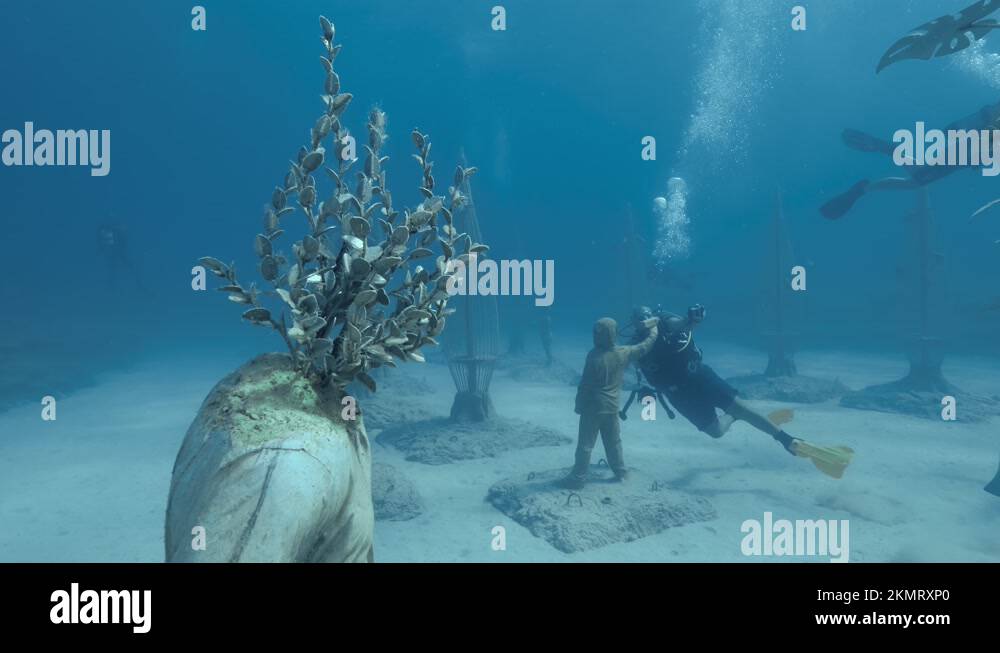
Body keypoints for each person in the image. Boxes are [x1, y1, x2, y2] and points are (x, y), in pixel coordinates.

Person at [629, 304, 801, 454]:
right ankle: (733, 416)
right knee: (716, 431)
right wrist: (642, 388)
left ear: (654, 315)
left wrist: (693, 318)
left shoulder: (665, 322)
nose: (646, 321)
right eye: (640, 319)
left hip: (700, 376)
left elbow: (682, 324)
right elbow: (636, 370)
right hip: (678, 394)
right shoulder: (635, 344)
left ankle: (785, 439)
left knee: (741, 407)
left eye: (648, 316)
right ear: (634, 323)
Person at [560, 316, 659, 489]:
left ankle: (578, 478)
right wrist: (654, 328)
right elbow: (645, 346)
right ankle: (621, 473)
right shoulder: (624, 352)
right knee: (614, 443)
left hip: (592, 408)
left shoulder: (593, 356)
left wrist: (578, 405)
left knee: (585, 445)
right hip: (612, 407)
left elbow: (585, 384)